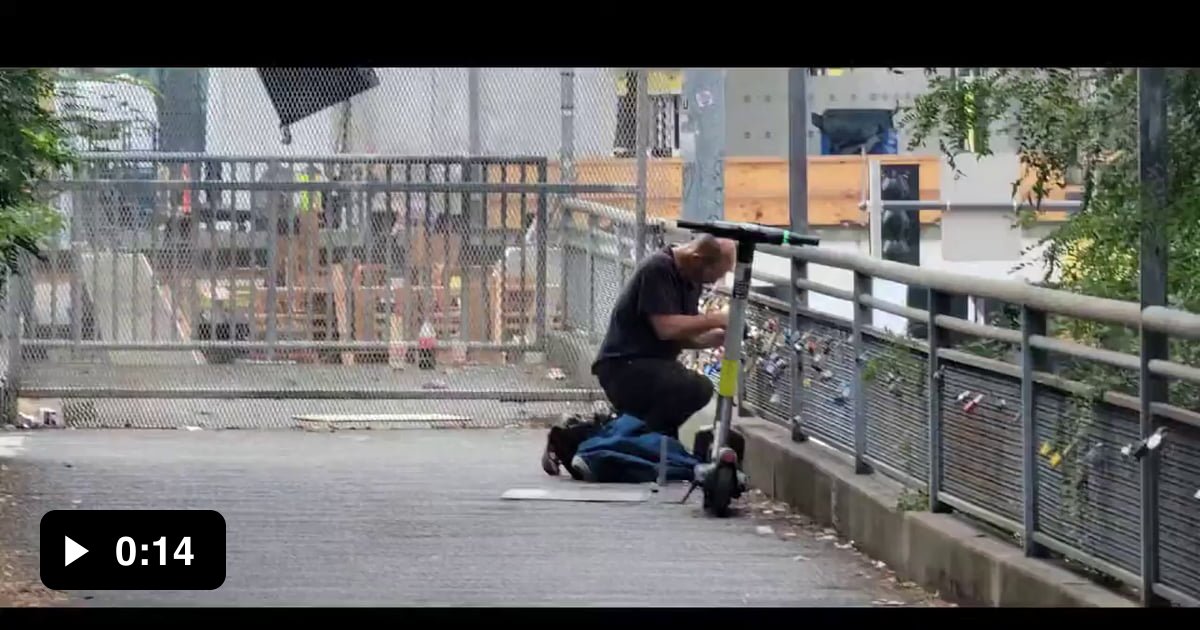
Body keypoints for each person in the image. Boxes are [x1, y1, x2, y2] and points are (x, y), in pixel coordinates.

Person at [589, 234, 735, 440]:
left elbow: (680, 335)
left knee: (683, 394)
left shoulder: (691, 278)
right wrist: (718, 319)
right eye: (712, 275)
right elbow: (666, 328)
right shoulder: (658, 269)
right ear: (696, 259)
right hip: (623, 365)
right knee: (693, 388)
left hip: (652, 365)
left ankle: (634, 439)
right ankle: (644, 440)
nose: (712, 282)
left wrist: (714, 338)